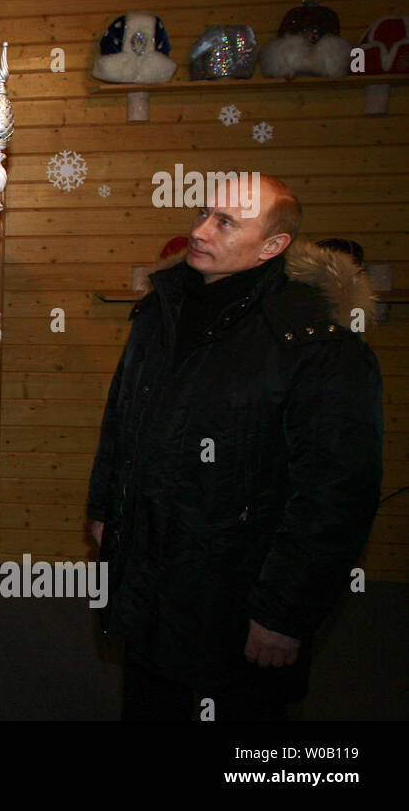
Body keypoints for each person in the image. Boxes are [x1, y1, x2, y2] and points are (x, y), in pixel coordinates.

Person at [87, 174, 383, 721]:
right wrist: (106, 509)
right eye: (202, 212)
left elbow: (335, 496)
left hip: (234, 593)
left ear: (274, 246)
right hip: (152, 569)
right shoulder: (162, 309)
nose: (200, 230)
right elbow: (121, 419)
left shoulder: (316, 343)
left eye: (225, 222)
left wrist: (284, 614)